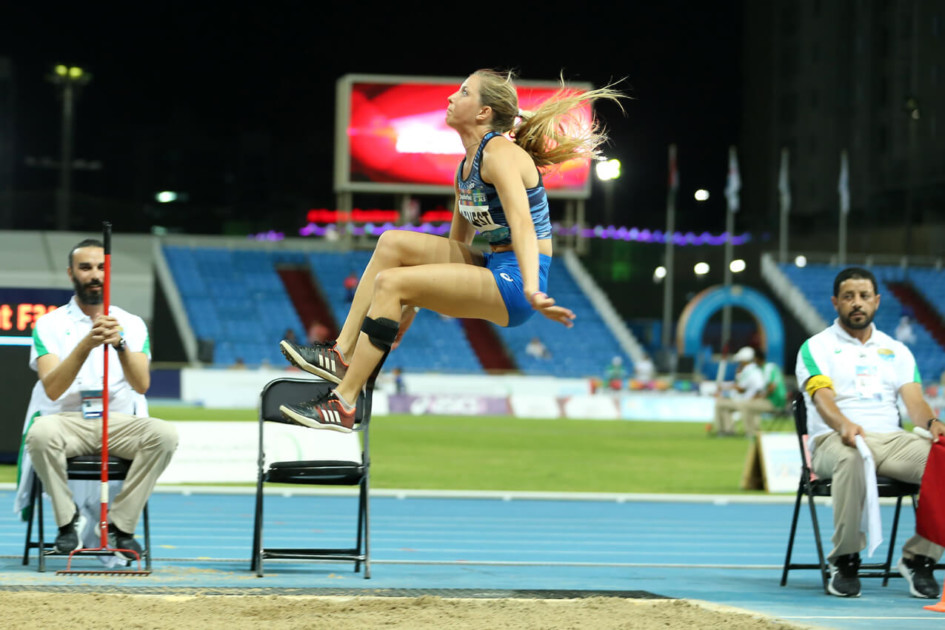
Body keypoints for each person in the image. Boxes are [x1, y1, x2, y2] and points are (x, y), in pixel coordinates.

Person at [277, 69, 624, 431]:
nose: (450, 98)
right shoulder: (465, 169)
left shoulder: (500, 154)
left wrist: (533, 289)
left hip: (517, 278)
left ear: (483, 112)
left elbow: (522, 222)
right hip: (493, 263)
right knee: (392, 243)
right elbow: (455, 249)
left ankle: (344, 404)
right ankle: (340, 352)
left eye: (463, 92)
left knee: (391, 283)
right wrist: (411, 304)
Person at [15, 239, 178, 560]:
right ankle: (67, 523)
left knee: (164, 435)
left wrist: (120, 345)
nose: (94, 275)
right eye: (85, 267)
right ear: (71, 273)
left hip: (117, 423)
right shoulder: (49, 324)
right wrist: (86, 344)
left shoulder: (132, 324)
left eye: (101, 267)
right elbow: (52, 389)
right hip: (66, 422)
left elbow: (141, 384)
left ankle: (122, 525)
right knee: (40, 434)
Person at [795, 266, 944, 599]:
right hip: (834, 442)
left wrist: (933, 424)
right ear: (835, 302)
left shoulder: (897, 351)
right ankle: (846, 560)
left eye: (864, 296)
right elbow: (822, 399)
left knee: (943, 460)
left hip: (891, 441)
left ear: (876, 301)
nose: (857, 303)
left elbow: (915, 404)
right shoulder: (816, 347)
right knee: (850, 458)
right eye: (848, 297)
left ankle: (920, 557)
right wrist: (843, 424)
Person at [712, 346, 767, 437]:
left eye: (741, 360)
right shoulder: (755, 369)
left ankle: (724, 431)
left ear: (744, 360)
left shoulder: (748, 370)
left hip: (745, 401)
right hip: (749, 400)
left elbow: (741, 389)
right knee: (724, 405)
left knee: (719, 404)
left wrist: (724, 387)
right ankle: (728, 430)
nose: (739, 362)